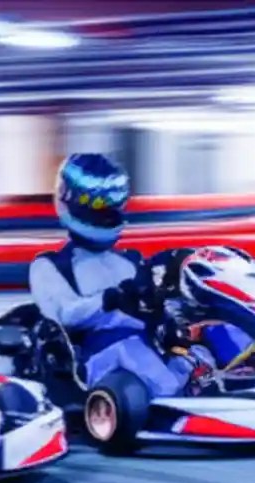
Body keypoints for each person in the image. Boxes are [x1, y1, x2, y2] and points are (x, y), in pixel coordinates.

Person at [28, 154, 207, 398]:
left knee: (212, 338)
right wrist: (111, 298)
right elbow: (65, 314)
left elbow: (156, 303)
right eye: (98, 207)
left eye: (110, 206)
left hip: (152, 346)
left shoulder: (130, 261)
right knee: (133, 350)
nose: (105, 214)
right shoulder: (49, 266)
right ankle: (181, 406)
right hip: (97, 359)